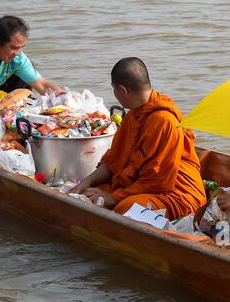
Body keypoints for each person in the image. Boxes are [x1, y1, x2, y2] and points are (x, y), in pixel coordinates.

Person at [69, 57, 208, 219]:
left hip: (178, 194)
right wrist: (86, 182)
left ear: (122, 90)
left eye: (113, 89)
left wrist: (113, 197)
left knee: (126, 208)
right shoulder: (134, 114)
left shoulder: (164, 120)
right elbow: (113, 161)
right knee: (90, 193)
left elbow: (158, 182)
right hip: (140, 187)